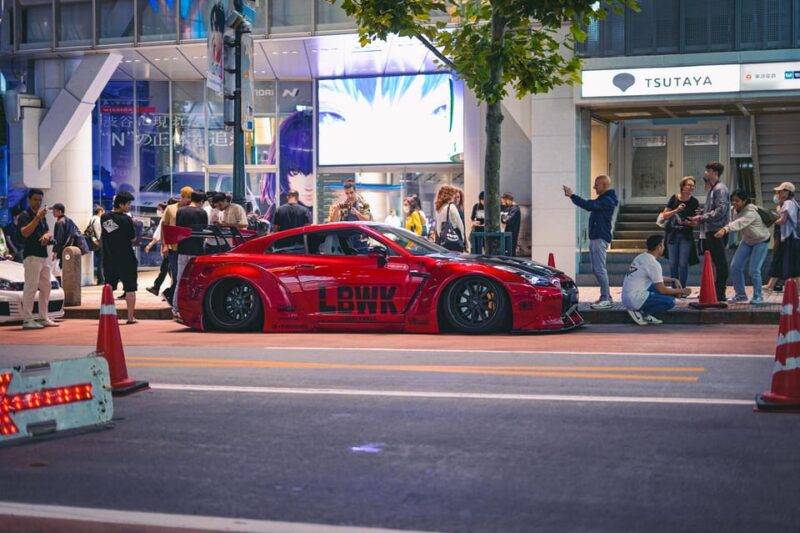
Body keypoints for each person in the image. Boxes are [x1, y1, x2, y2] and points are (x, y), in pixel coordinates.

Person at [563, 175, 618, 310]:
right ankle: (606, 296)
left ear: (604, 185)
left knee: (600, 269)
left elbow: (588, 205)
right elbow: (590, 205)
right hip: (597, 237)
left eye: (596, 185)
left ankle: (606, 298)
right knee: (597, 269)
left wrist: (572, 196)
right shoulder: (604, 199)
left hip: (600, 238)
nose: (594, 187)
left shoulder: (607, 200)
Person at [714, 189, 771, 306]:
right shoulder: (734, 210)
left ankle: (758, 296)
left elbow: (740, 222)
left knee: (754, 270)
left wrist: (725, 229)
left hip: (761, 241)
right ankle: (740, 295)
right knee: (735, 266)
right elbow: (729, 219)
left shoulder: (751, 211)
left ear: (744, 201)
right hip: (747, 241)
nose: (734, 203)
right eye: (732, 200)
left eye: (737, 200)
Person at [622, 235, 691, 325]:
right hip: (634, 299)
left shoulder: (641, 257)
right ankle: (642, 312)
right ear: (659, 246)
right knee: (670, 302)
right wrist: (682, 291)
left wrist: (673, 280)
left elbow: (656, 277)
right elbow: (662, 290)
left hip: (626, 297)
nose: (664, 248)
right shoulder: (654, 264)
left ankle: (641, 310)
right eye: (663, 245)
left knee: (661, 288)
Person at [688, 161, 731, 302]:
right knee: (714, 262)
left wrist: (702, 217)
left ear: (714, 172)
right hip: (711, 229)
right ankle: (715, 291)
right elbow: (715, 209)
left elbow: (721, 210)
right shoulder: (713, 189)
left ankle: (720, 292)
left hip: (717, 230)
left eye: (707, 171)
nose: (705, 173)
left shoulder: (720, 189)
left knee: (720, 263)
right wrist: (702, 213)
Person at [18, 188, 58, 329]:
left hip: (43, 256)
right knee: (31, 287)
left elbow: (47, 230)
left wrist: (47, 235)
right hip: (31, 256)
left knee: (46, 286)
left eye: (40, 200)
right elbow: (25, 233)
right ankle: (27, 319)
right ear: (29, 200)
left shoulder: (42, 216)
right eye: (35, 199)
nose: (38, 202)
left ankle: (43, 317)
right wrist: (37, 218)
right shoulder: (24, 215)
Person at [101, 191, 139, 324]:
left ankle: (108, 316)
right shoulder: (127, 219)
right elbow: (132, 238)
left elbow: (112, 233)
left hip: (110, 257)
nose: (129, 206)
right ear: (121, 204)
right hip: (127, 258)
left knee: (109, 288)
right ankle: (130, 317)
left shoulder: (104, 217)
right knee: (130, 288)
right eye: (128, 204)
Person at [659, 176, 699, 290]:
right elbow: (664, 215)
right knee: (673, 263)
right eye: (689, 185)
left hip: (686, 235)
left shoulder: (694, 201)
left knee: (683, 263)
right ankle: (674, 288)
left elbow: (695, 223)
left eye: (693, 186)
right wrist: (677, 210)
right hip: (672, 234)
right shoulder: (674, 198)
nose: (691, 187)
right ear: (682, 186)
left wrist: (688, 222)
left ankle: (682, 288)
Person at [173, 191, 209, 318]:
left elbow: (177, 229)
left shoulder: (180, 211)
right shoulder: (202, 212)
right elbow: (204, 231)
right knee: (195, 280)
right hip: (197, 250)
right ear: (201, 201)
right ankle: (191, 307)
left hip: (183, 248)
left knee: (180, 279)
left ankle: (176, 308)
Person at [764, 182, 800, 292]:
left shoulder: (788, 203)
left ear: (787, 192)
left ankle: (798, 288)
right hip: (789, 237)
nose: (778, 193)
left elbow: (783, 220)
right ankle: (770, 285)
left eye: (780, 191)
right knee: (781, 259)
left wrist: (769, 222)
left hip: (789, 237)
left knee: (789, 261)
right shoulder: (793, 203)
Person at [161, 186, 193, 305]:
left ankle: (176, 298)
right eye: (187, 197)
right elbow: (164, 226)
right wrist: (164, 245)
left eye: (190, 197)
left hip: (187, 247)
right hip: (173, 247)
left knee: (186, 275)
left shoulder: (192, 209)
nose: (188, 200)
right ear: (182, 196)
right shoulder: (171, 208)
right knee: (175, 274)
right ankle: (174, 298)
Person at [145, 201, 172, 297]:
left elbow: (158, 235)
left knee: (167, 269)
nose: (158, 211)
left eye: (159, 209)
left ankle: (160, 288)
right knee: (167, 269)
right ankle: (158, 288)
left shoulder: (165, 219)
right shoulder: (167, 218)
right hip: (168, 247)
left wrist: (150, 245)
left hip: (168, 247)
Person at [51, 203, 79, 281]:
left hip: (61, 251)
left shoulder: (59, 222)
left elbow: (59, 239)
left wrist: (55, 252)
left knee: (57, 271)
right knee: (66, 270)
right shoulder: (70, 221)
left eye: (54, 210)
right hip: (70, 249)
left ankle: (60, 286)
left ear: (60, 211)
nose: (52, 212)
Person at [433, 185, 466, 252]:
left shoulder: (439, 208)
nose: (454, 197)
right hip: (453, 241)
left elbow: (438, 228)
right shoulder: (451, 207)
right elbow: (460, 226)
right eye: (453, 194)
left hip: (442, 240)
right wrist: (463, 239)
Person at [501, 192, 521, 257]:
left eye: (504, 201)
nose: (503, 203)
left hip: (512, 235)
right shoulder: (509, 208)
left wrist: (503, 218)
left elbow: (508, 220)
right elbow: (503, 219)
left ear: (508, 200)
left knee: (511, 254)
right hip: (507, 235)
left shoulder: (515, 209)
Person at [89, 205, 105, 284]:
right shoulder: (97, 219)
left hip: (95, 241)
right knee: (101, 261)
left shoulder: (92, 219)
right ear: (100, 211)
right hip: (99, 241)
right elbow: (98, 231)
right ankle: (101, 279)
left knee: (99, 260)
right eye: (103, 212)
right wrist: (98, 240)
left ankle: (101, 279)